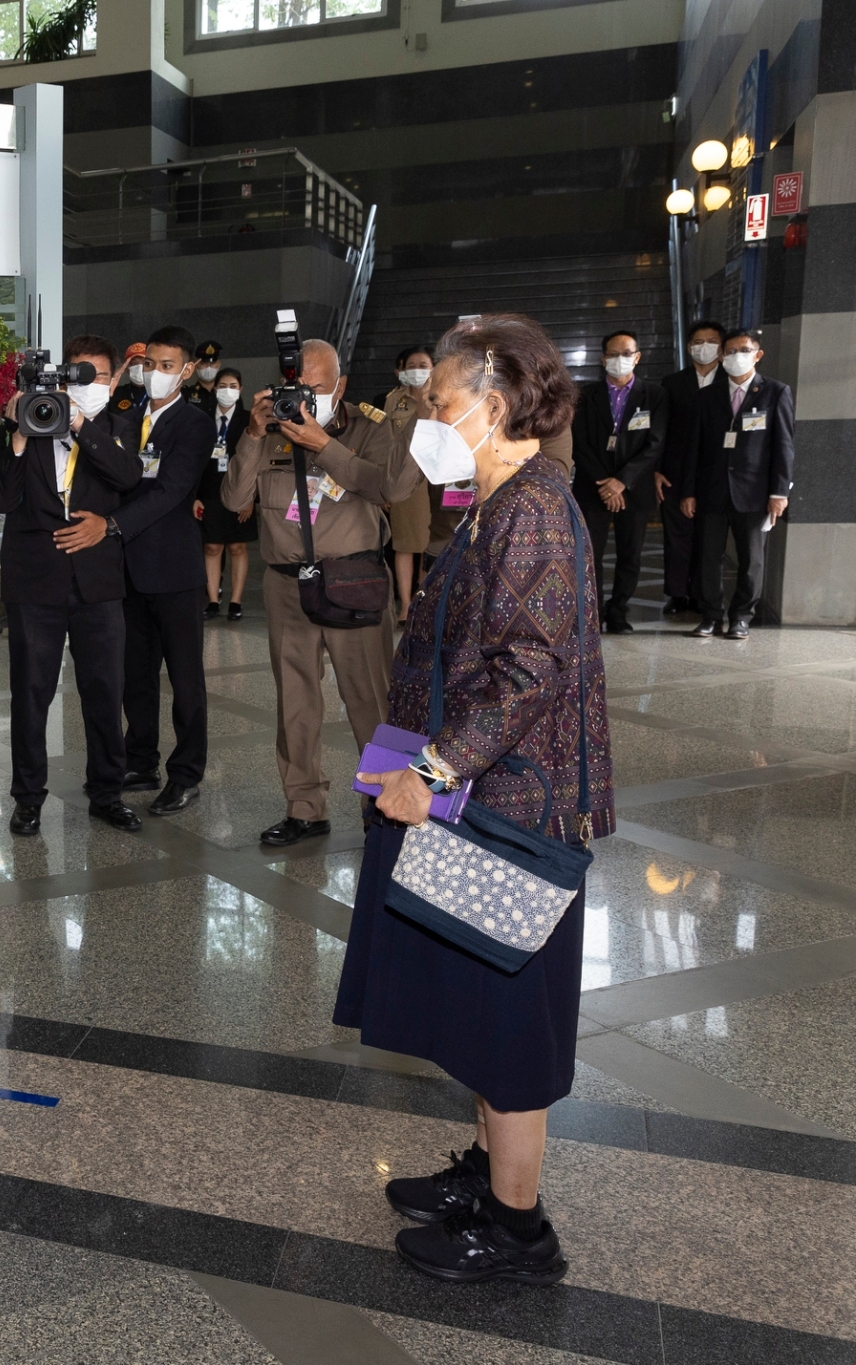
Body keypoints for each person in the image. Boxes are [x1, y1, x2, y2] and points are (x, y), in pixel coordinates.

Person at [340, 312, 610, 1287]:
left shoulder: (531, 508)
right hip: (478, 792)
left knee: (506, 1023)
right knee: (469, 1001)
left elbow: (529, 669)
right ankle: (486, 1172)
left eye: (440, 402)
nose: (428, 419)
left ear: (492, 407)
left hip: (510, 804)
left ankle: (517, 1228)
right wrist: (405, 757)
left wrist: (433, 770)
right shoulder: (494, 500)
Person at [221, 338, 421, 848]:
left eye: (317, 386)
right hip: (287, 585)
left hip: (353, 582)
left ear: (341, 385)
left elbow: (387, 488)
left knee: (371, 701)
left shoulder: (371, 427)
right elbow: (234, 497)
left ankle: (384, 808)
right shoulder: (268, 429)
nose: (305, 396)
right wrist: (252, 433)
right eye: (297, 385)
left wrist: (322, 444)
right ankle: (304, 808)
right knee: (295, 704)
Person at [0, 333, 146, 835]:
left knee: (105, 691)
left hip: (97, 580)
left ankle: (107, 794)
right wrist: (17, 438)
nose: (86, 384)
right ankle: (27, 798)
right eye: (77, 375)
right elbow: (0, 500)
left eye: (96, 376)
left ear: (112, 381)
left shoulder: (119, 425)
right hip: (35, 580)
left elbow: (127, 476)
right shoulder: (29, 421)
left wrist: (79, 423)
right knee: (31, 694)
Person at [112, 325, 211, 815]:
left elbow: (172, 490)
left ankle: (186, 774)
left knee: (185, 679)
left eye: (167, 366)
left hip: (174, 570)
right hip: (129, 570)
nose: (155, 373)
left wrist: (114, 525)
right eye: (149, 364)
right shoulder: (126, 418)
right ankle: (140, 760)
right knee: (136, 675)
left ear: (186, 371)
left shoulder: (194, 424)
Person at [679, 327, 795, 640]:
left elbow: (784, 446)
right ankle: (711, 616)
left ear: (758, 355)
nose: (736, 356)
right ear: (721, 356)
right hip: (711, 491)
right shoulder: (707, 396)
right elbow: (693, 448)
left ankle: (742, 617)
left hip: (755, 493)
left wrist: (779, 492)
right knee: (708, 558)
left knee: (751, 560)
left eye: (744, 350)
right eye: (730, 351)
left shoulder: (775, 392)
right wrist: (688, 491)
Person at [570, 329, 667, 633]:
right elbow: (579, 443)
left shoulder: (655, 395)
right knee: (590, 554)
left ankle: (618, 612)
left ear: (637, 357)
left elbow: (655, 444)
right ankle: (593, 613)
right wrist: (605, 482)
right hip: (593, 487)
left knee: (630, 554)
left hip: (634, 488)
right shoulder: (585, 395)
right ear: (602, 359)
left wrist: (622, 481)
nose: (619, 359)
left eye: (626, 354)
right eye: (613, 354)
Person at [656, 319, 726, 616]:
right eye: (698, 342)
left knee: (708, 539)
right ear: (688, 347)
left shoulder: (729, 381)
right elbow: (659, 430)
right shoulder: (673, 383)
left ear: (722, 348)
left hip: (714, 472)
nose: (704, 347)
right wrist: (657, 469)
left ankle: (702, 594)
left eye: (711, 341)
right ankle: (677, 593)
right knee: (677, 536)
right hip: (674, 470)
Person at [194, 367, 254, 620]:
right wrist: (194, 495)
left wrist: (251, 498)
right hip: (209, 491)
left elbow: (256, 462)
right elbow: (194, 461)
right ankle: (212, 601)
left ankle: (235, 602)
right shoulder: (202, 418)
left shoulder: (249, 419)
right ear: (215, 389)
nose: (227, 391)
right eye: (222, 386)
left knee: (237, 547)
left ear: (240, 390)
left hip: (240, 491)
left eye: (233, 386)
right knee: (211, 547)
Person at [384, 347, 435, 621]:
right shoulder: (394, 400)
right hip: (404, 480)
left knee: (429, 544)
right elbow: (386, 443)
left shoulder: (441, 395)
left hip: (435, 478)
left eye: (423, 364)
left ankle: (423, 602)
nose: (418, 369)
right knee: (404, 543)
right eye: (412, 365)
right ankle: (405, 605)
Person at [184, 339, 224, 405]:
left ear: (219, 364)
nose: (208, 367)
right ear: (196, 365)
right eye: (203, 363)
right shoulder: (186, 394)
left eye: (212, 363)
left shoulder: (227, 394)